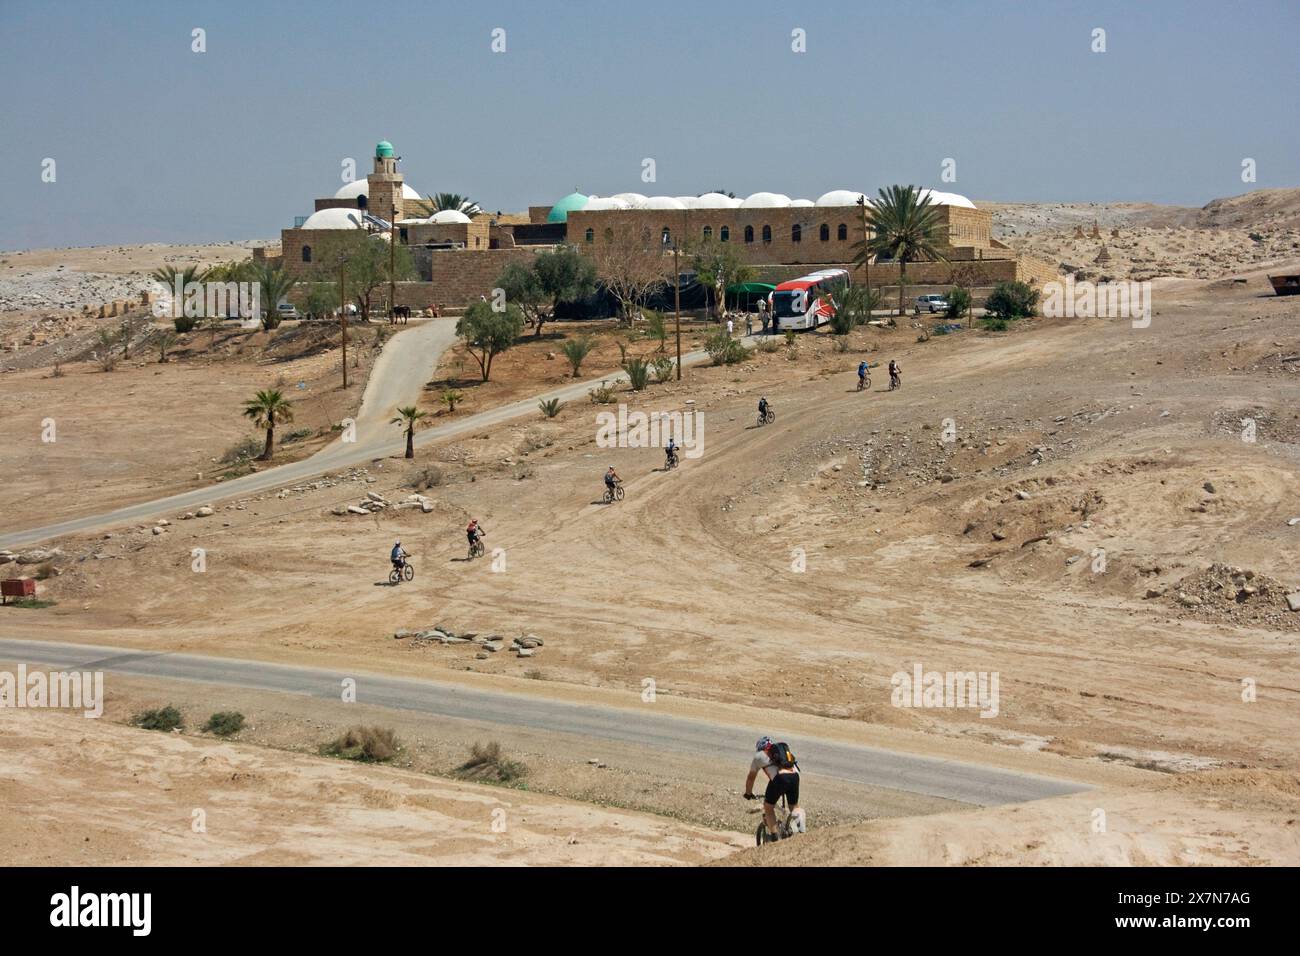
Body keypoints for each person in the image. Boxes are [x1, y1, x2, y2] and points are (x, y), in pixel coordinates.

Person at [744, 735, 804, 840]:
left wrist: (748, 793)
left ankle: (775, 838)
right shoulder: (782, 754)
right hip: (795, 776)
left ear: (760, 748)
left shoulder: (759, 756)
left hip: (780, 778)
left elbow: (751, 778)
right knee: (793, 806)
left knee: (768, 807)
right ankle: (801, 832)